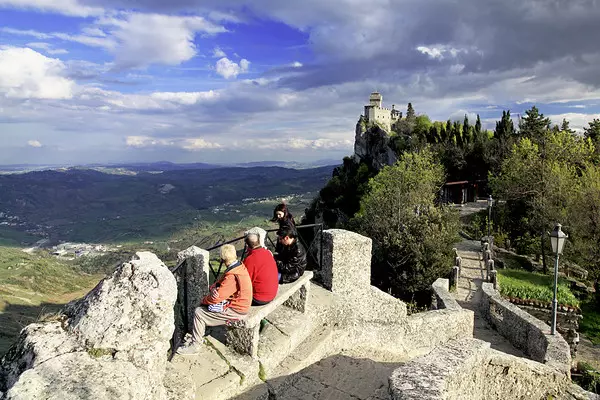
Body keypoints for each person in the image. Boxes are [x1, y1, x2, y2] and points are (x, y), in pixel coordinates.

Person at [177, 244, 252, 355]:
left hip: (237, 311)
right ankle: (198, 335)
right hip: (240, 305)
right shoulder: (238, 267)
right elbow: (218, 287)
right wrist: (213, 292)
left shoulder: (232, 276)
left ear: (222, 259)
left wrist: (204, 301)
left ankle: (195, 345)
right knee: (204, 308)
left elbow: (216, 298)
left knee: (199, 312)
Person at [243, 232, 279, 305]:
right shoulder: (268, 253)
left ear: (247, 245)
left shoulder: (250, 260)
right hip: (272, 293)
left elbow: (245, 282)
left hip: (259, 298)